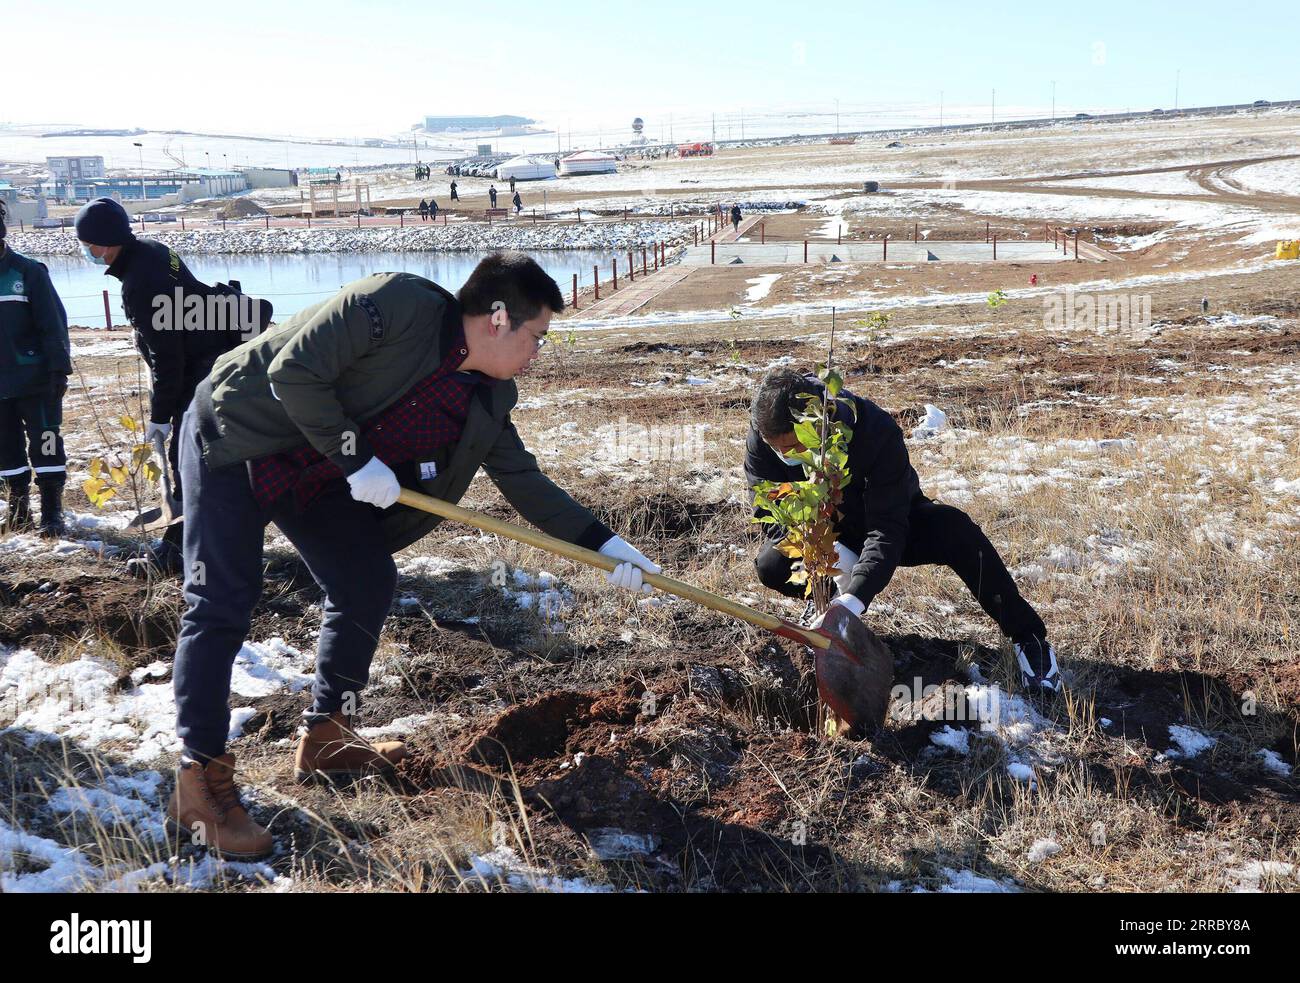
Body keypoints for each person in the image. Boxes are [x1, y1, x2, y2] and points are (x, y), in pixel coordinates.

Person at [166, 252, 662, 857]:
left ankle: (329, 733)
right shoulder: (394, 304)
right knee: (221, 602)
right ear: (498, 319)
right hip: (238, 432)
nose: (538, 354)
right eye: (537, 337)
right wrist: (356, 457)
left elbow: (524, 481)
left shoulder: (486, 397)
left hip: (317, 469)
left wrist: (607, 547)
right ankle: (200, 783)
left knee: (365, 580)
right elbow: (293, 371)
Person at [745, 368, 1061, 696]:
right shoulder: (763, 435)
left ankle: (1029, 640)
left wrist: (856, 597)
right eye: (779, 449)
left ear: (817, 423)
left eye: (796, 446)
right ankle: (825, 599)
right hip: (827, 535)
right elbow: (769, 515)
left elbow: (887, 527)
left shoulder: (874, 431)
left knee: (957, 531)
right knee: (772, 563)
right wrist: (834, 555)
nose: (788, 456)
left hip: (892, 523)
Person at [75, 197, 271, 577]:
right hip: (218, 358)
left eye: (87, 244)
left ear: (103, 243)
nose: (86, 251)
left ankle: (179, 553)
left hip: (201, 372)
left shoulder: (140, 283)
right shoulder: (152, 250)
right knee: (208, 459)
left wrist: (161, 416)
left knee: (190, 462)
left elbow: (168, 357)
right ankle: (209, 538)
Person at [0, 200, 71, 537]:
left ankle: (52, 513)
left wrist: (59, 370)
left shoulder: (28, 272)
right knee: (6, 448)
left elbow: (53, 325)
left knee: (45, 442)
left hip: (36, 380)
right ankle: (18, 510)